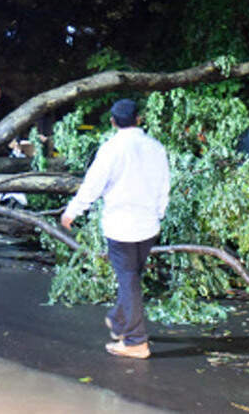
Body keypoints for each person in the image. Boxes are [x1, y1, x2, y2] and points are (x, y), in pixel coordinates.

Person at [60, 99, 170, 359]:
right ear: (139, 119)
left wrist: (72, 212)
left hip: (120, 227)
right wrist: (158, 215)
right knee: (131, 278)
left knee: (128, 279)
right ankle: (120, 321)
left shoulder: (110, 149)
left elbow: (92, 186)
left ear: (112, 121)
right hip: (147, 226)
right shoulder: (156, 148)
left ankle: (135, 341)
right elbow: (164, 185)